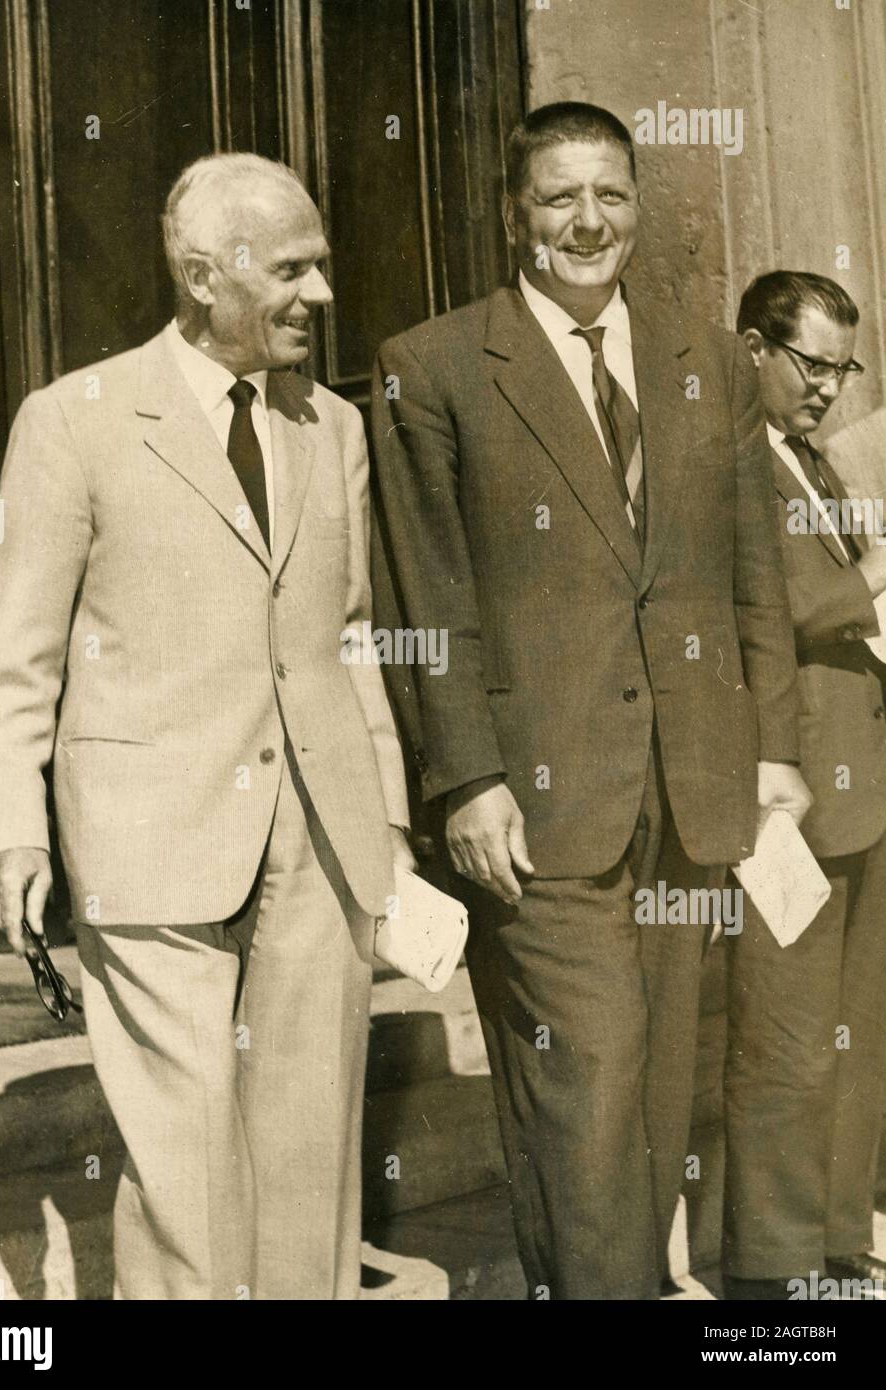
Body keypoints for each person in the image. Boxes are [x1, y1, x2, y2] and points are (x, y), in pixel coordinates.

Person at [370, 102, 808, 1299]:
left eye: (609, 194)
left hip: (694, 787)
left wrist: (771, 752)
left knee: (656, 1085)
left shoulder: (707, 360)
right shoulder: (433, 366)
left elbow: (751, 575)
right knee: (590, 1082)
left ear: (636, 205)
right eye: (559, 197)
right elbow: (429, 597)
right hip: (537, 801)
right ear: (516, 216)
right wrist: (464, 777)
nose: (587, 220)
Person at [0, 153, 413, 1300]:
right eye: (293, 271)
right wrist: (10, 827)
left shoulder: (335, 430)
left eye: (323, 267)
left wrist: (390, 825)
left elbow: (348, 635)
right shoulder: (75, 419)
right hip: (147, 841)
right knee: (189, 1167)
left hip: (322, 841)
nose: (319, 295)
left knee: (309, 1164)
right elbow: (17, 652)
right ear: (207, 277)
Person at [724, 271, 886, 1299]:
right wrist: (877, 572)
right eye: (810, 364)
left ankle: (837, 1237)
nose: (828, 388)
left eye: (842, 368)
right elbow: (786, 601)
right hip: (787, 793)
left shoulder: (813, 463)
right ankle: (777, 1266)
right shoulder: (732, 466)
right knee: (784, 1037)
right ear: (752, 351)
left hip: (861, 783)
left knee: (854, 1028)